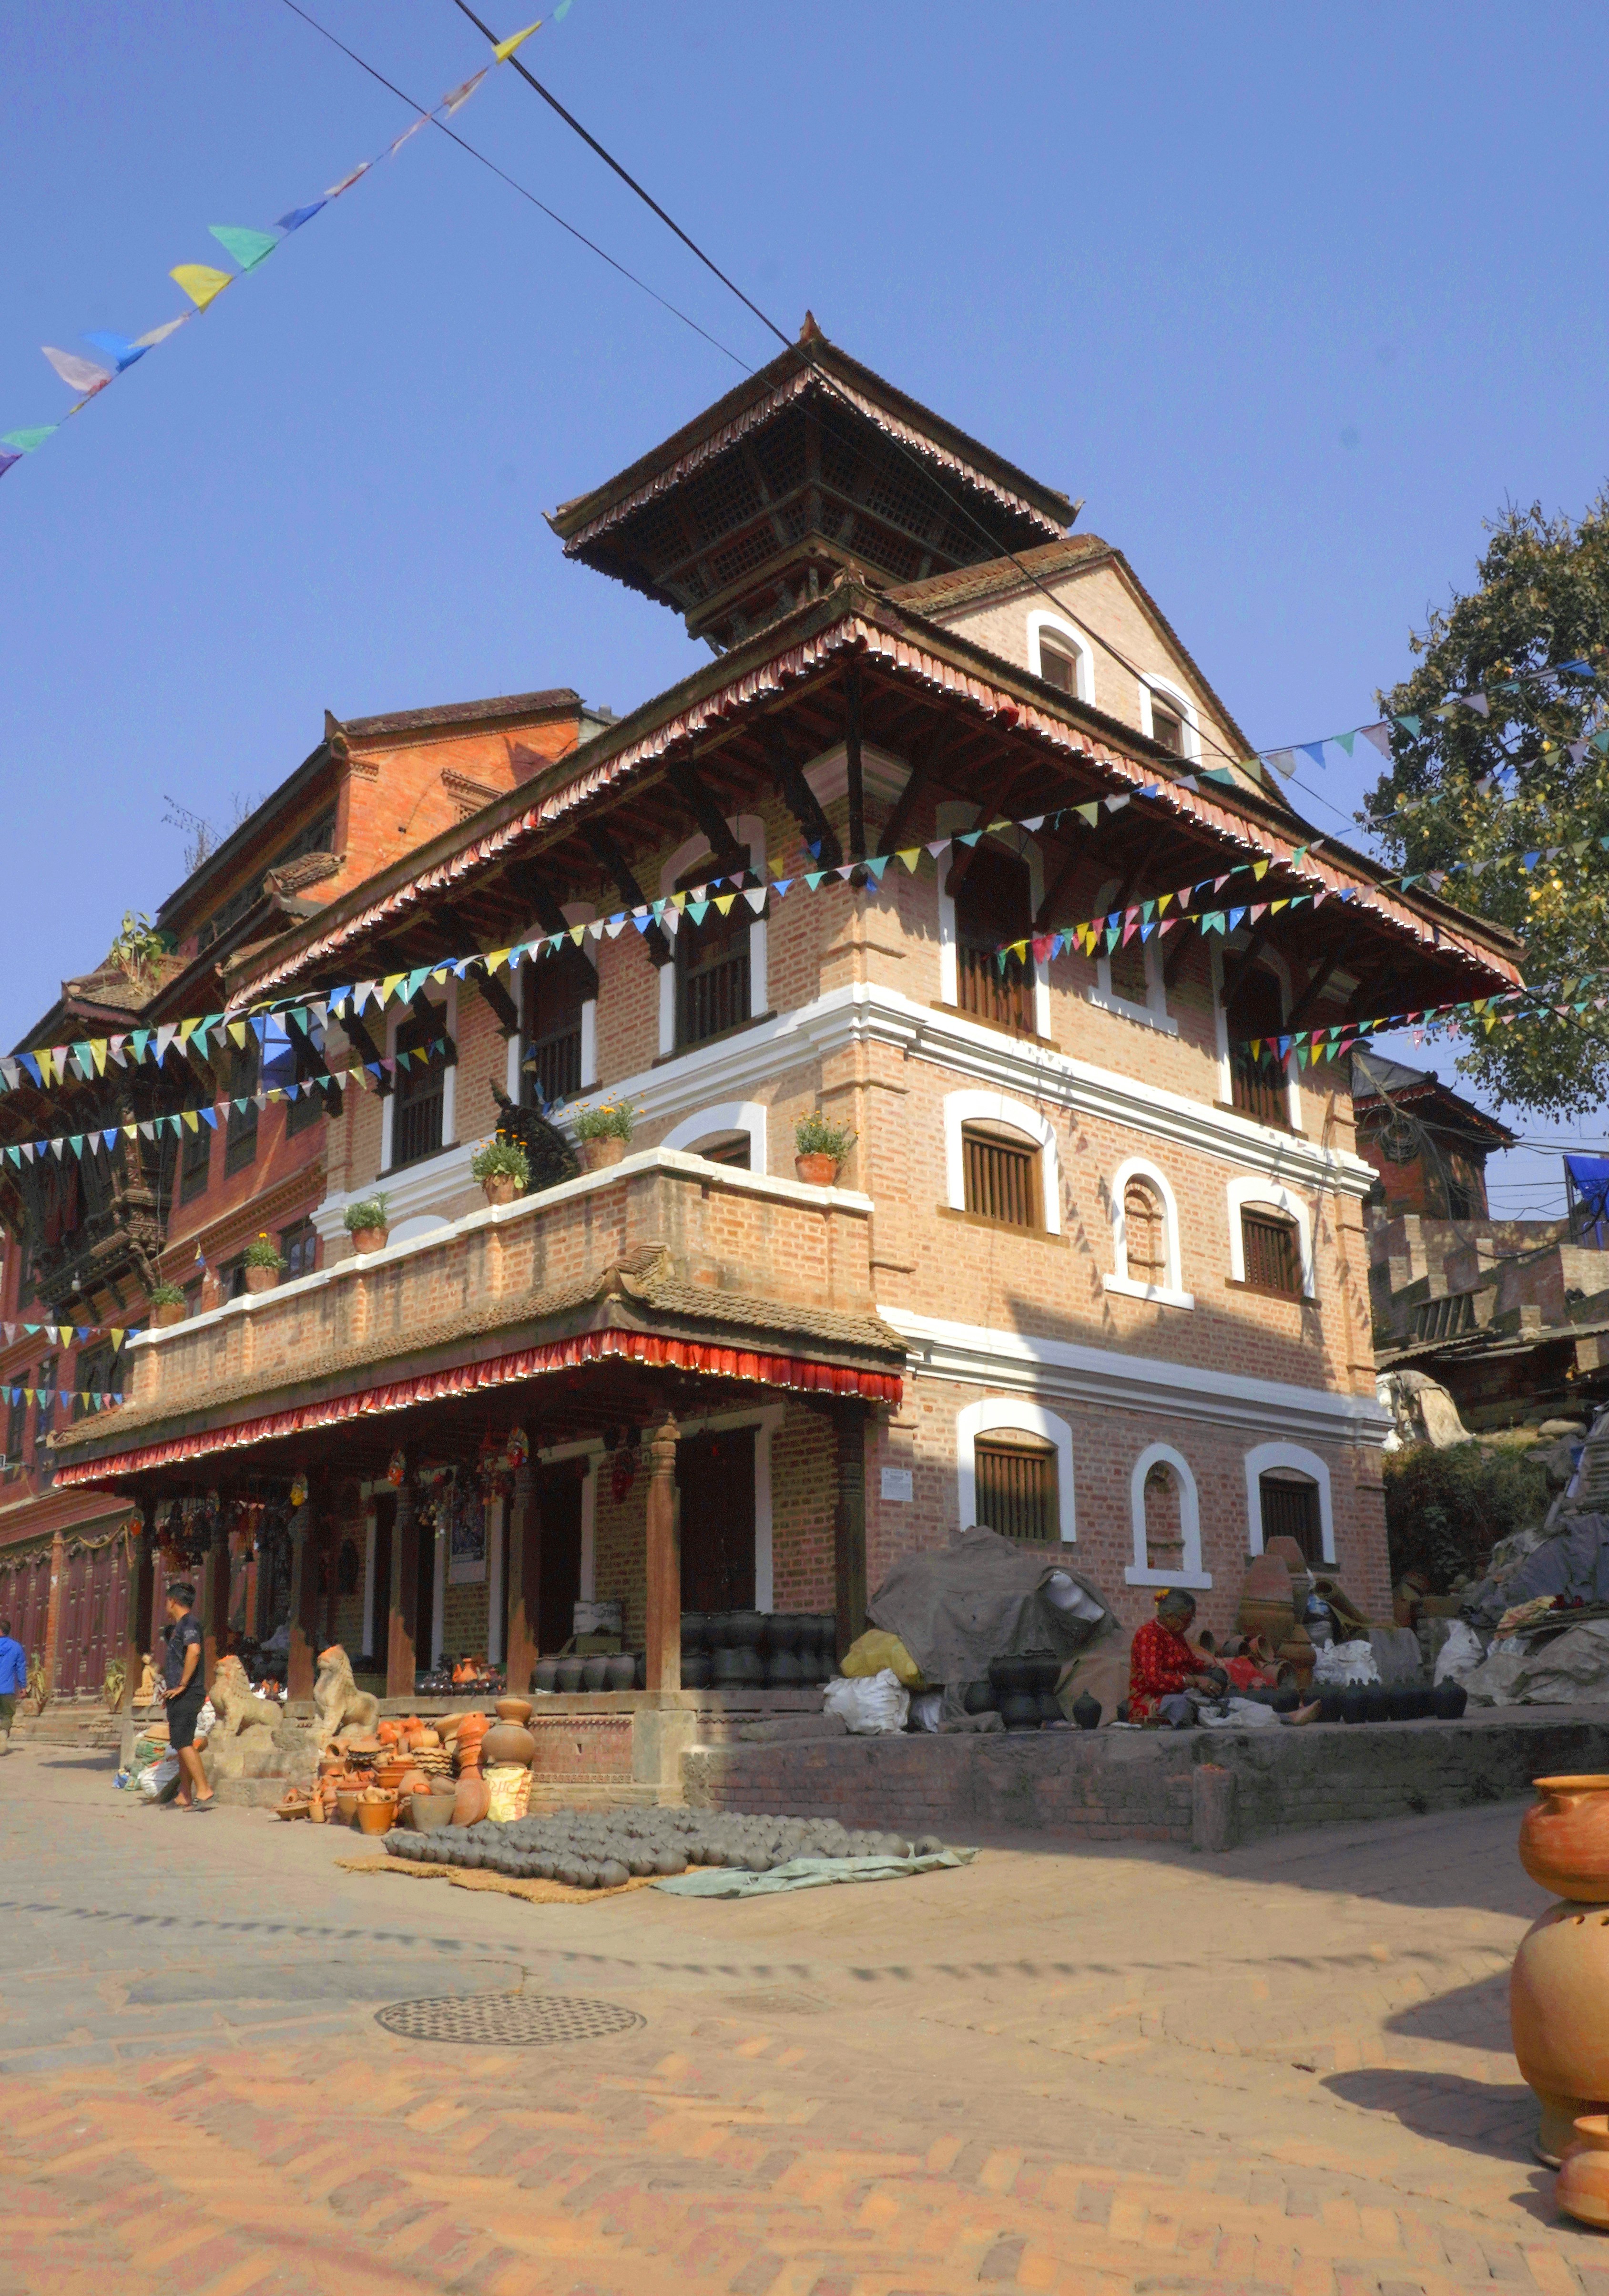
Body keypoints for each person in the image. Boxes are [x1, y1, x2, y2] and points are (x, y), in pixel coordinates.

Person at [157, 1583, 214, 1809]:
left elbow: (194, 1651)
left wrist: (182, 1685)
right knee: (182, 1742)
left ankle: (204, 1789)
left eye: (167, 1600)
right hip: (180, 1693)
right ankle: (185, 1794)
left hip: (188, 1692)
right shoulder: (181, 1626)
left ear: (173, 1601)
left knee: (182, 1742)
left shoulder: (189, 1623)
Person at [1128, 1589, 1220, 1726]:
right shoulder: (1149, 1635)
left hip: (1183, 1693)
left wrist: (1212, 1666)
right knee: (1181, 1706)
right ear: (1169, 1616)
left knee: (1218, 1676)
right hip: (1153, 1700)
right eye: (1186, 1620)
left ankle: (1203, 1708)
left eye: (1191, 1620)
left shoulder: (1177, 1634)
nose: (1189, 1625)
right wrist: (1193, 1681)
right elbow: (1154, 1680)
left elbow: (1191, 1663)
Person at [0, 1617, 27, 1754]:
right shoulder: (16, 1647)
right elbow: (21, 1668)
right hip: (7, 1690)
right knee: (7, 1715)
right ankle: (3, 1733)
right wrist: (23, 1686)